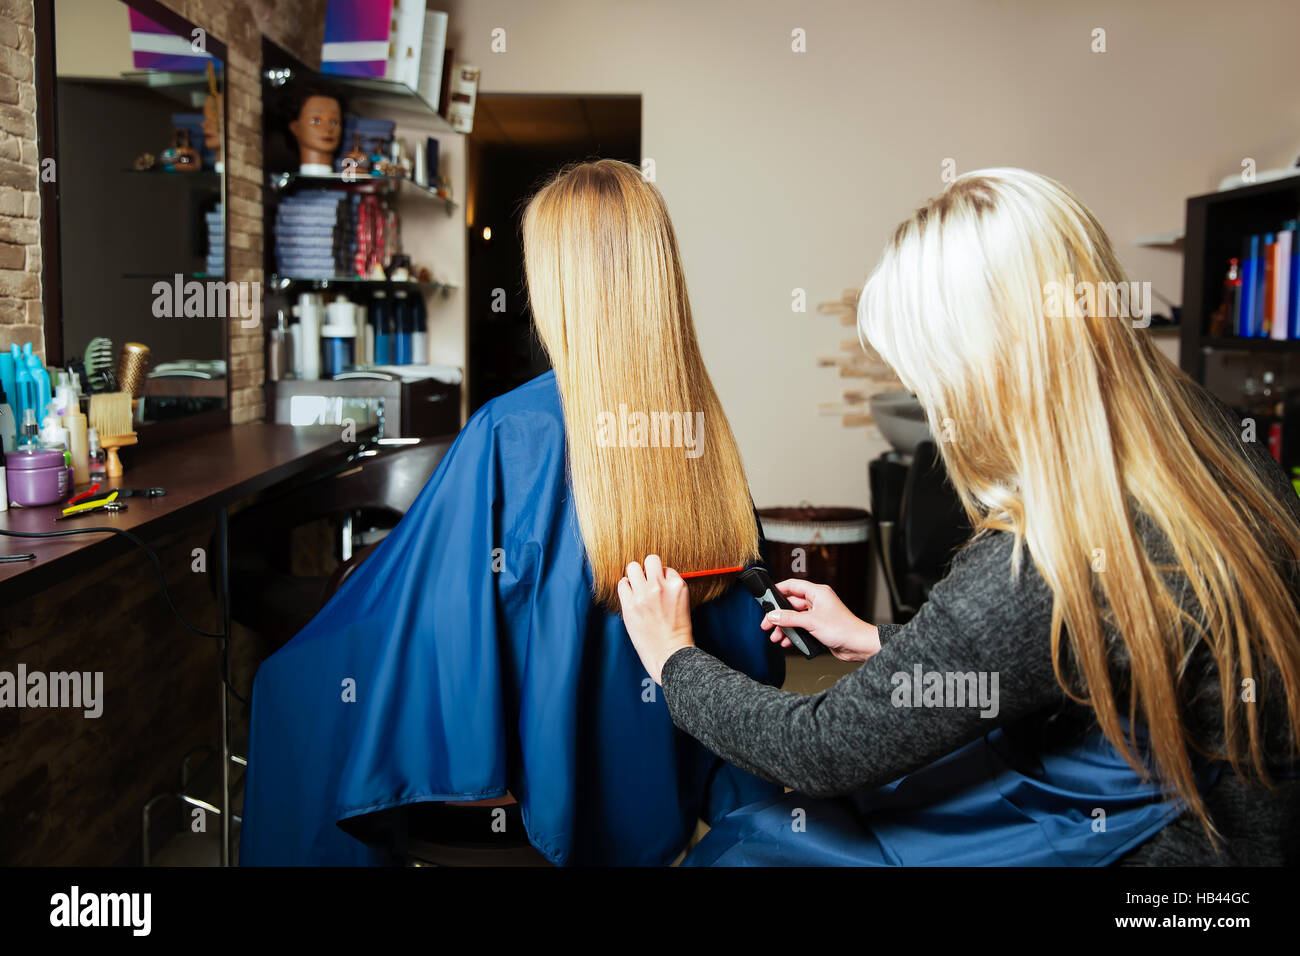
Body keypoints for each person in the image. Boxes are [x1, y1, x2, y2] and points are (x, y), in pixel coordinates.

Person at [619, 168, 1300, 866]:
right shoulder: (1211, 431)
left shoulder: (1041, 559)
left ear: (976, 366)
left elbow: (818, 748)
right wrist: (880, 642)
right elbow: (1061, 650)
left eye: (925, 375)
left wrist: (673, 658)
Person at [241, 160, 783, 866]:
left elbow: (438, 612)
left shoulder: (511, 430)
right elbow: (745, 645)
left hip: (525, 785)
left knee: (288, 686)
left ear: (555, 284)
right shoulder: (702, 433)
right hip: (656, 775)